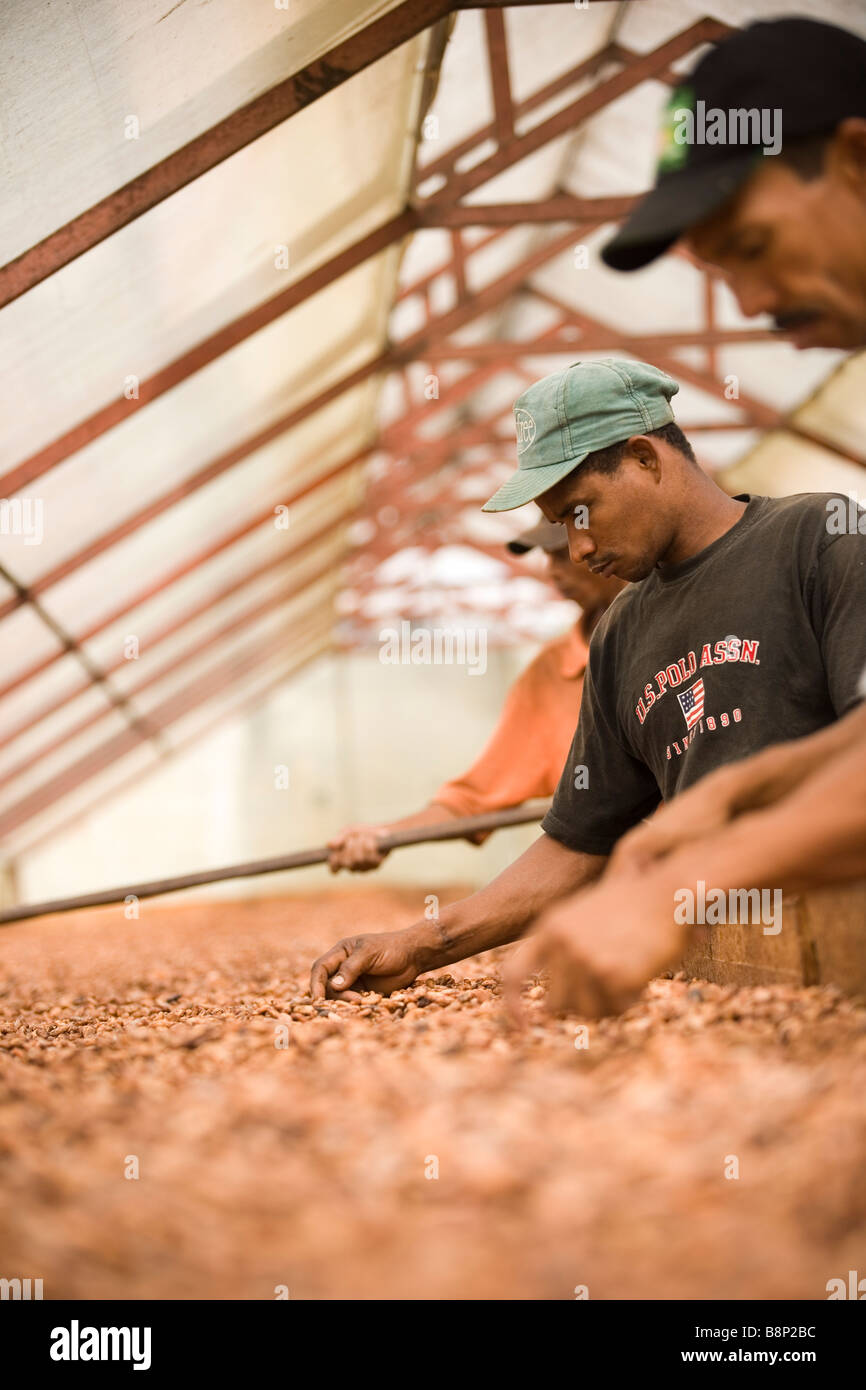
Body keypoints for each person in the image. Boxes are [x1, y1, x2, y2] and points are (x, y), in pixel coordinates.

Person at [310, 358, 866, 1008]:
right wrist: (423, 943)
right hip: (719, 953)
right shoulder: (619, 635)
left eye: (579, 511)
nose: (575, 549)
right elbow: (578, 845)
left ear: (644, 459)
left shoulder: (819, 538)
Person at [509, 14, 866, 1015]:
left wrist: (680, 885)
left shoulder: (815, 537)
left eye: (752, 246)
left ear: (854, 161)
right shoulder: (623, 629)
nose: (748, 302)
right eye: (719, 274)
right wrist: (731, 796)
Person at [326, 521, 624, 873]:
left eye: (562, 554)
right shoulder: (549, 675)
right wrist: (386, 834)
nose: (553, 571)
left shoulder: (685, 631)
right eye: (549, 556)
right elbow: (475, 800)